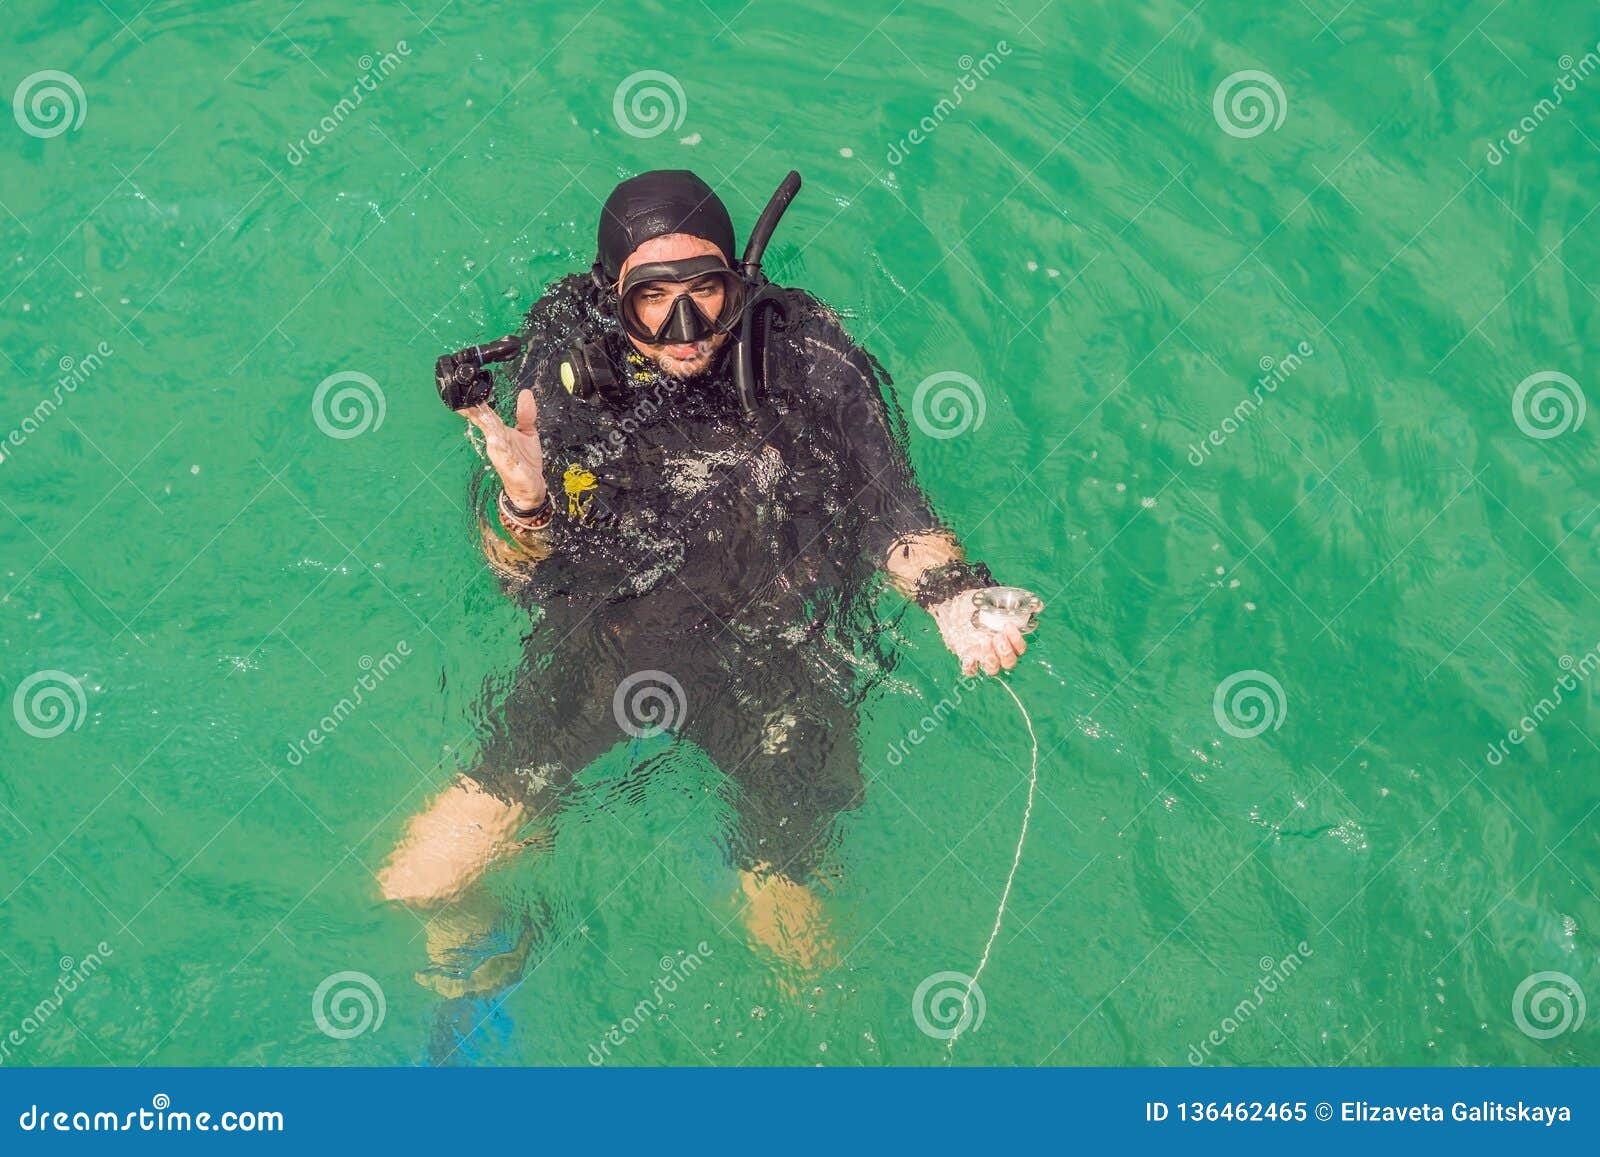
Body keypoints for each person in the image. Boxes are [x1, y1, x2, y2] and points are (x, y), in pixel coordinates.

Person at [378, 169, 1038, 999]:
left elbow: (893, 514)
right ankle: (503, 941)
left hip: (779, 661)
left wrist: (951, 597)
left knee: (801, 962)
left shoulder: (806, 354)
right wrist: (526, 501)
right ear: (614, 296)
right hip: (615, 645)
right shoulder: (566, 372)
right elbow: (523, 574)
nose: (686, 328)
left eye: (708, 293)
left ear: (740, 279)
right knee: (422, 884)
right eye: (653, 299)